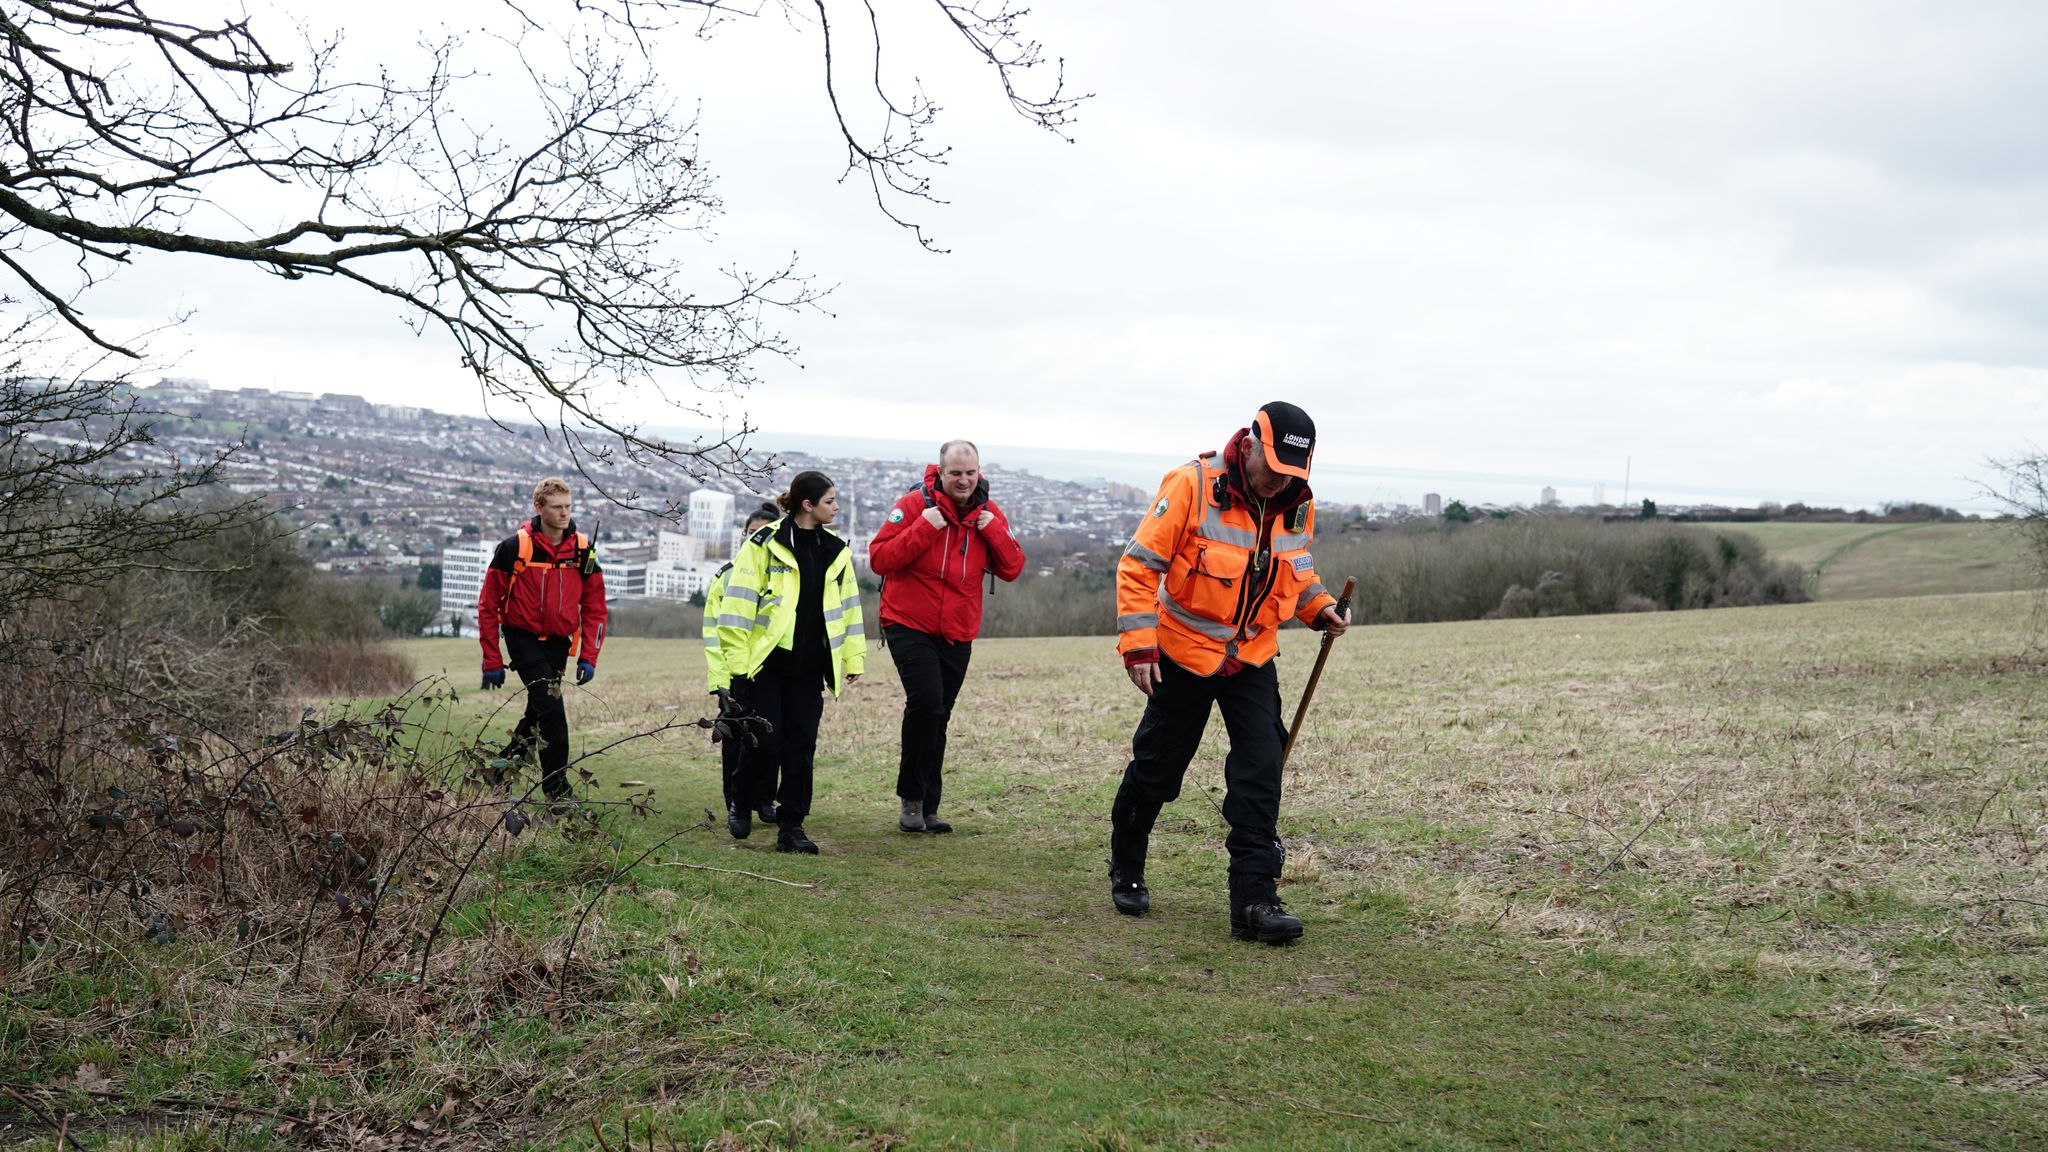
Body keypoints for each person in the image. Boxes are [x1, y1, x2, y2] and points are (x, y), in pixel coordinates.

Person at [1109, 402, 1350, 944]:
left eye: (1292, 475)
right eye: (1273, 471)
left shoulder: (1296, 504)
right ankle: (1127, 861)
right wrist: (1139, 646)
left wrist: (1320, 608)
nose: (1278, 484)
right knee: (1157, 769)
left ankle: (1254, 901)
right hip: (1183, 652)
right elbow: (1139, 566)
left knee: (1261, 769)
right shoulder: (1191, 485)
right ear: (1248, 446)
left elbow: (1297, 569)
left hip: (1253, 656)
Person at [868, 440, 1027, 834]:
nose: (964, 480)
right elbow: (880, 559)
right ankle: (912, 799)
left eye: (970, 473)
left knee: (939, 713)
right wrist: (925, 526)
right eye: (956, 473)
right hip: (907, 621)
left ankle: (929, 805)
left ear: (979, 472)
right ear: (940, 472)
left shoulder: (989, 512)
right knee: (925, 702)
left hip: (957, 627)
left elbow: (1012, 568)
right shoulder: (912, 506)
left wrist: (995, 534)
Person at [709, 471, 867, 854]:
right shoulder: (764, 545)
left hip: (811, 668)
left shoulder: (836, 551)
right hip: (766, 665)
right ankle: (741, 801)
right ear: (807, 505)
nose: (837, 507)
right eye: (830, 501)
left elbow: (848, 609)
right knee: (766, 743)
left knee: (801, 748)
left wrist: (853, 656)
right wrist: (737, 664)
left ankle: (791, 827)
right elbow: (738, 608)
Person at [478, 476, 609, 807]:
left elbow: (595, 607)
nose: (564, 513)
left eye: (568, 507)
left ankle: (500, 770)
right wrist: (492, 659)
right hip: (522, 639)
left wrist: (588, 656)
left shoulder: (582, 551)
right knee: (552, 712)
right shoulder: (513, 548)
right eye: (557, 507)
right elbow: (488, 605)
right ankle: (557, 790)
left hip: (557, 643)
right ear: (539, 507)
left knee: (538, 711)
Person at [704, 502, 783, 838]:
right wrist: (721, 685)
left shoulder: (783, 579)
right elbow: (714, 634)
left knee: (769, 737)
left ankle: (765, 799)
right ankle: (734, 801)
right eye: (752, 534)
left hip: (771, 671)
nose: (756, 541)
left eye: (763, 534)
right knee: (735, 741)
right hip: (735, 673)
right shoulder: (725, 577)